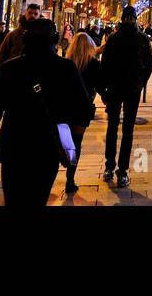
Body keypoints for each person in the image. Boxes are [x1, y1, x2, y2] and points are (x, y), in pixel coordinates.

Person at [0, 19, 93, 206]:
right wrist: (70, 135)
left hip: (13, 149)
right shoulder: (65, 68)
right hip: (47, 149)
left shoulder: (9, 69)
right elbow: (85, 109)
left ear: (25, 40)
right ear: (55, 40)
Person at [99, 5, 152, 188]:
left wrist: (105, 88)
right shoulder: (141, 39)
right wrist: (140, 82)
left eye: (131, 17)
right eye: (128, 17)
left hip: (120, 87)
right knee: (122, 129)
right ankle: (118, 169)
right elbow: (149, 63)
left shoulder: (115, 39)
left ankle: (115, 168)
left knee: (116, 128)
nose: (130, 20)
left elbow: (104, 65)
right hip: (128, 88)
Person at [62, 31, 103, 194]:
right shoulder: (93, 64)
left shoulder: (65, 62)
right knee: (76, 143)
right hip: (82, 108)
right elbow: (100, 85)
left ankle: (63, 160)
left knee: (65, 140)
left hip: (64, 107)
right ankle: (70, 178)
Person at [0, 0, 43, 76]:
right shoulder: (13, 35)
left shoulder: (43, 36)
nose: (32, 15)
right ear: (25, 14)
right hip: (14, 75)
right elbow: (1, 56)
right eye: (30, 13)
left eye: (35, 14)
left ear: (39, 15)